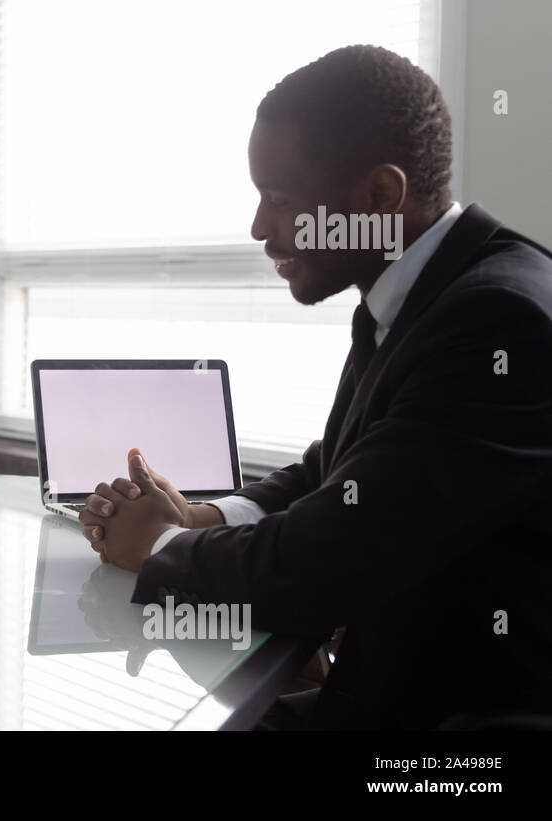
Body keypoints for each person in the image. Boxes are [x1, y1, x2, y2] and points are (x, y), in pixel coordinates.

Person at [78, 45, 552, 729]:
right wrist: (199, 519)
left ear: (380, 196)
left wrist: (157, 546)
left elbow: (322, 563)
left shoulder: (498, 320)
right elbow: (336, 471)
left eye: (279, 199)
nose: (259, 228)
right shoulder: (423, 295)